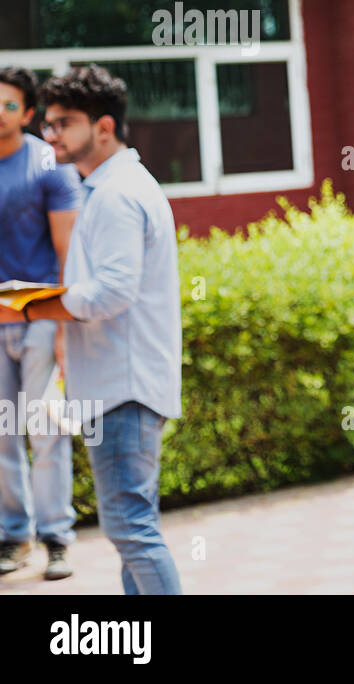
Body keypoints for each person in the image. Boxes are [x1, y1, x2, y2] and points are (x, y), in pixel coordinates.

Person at [0, 65, 183, 594]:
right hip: (120, 385)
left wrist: (29, 306)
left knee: (132, 531)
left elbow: (112, 292)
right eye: (49, 124)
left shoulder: (118, 193)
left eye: (64, 123)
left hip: (123, 389)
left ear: (104, 127)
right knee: (132, 533)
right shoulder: (109, 185)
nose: (50, 134)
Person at [0, 67, 81, 581]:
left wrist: (61, 327)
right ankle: (13, 537)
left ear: (27, 113)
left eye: (8, 104)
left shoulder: (48, 163)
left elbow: (67, 249)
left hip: (38, 316)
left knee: (44, 429)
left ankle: (56, 538)